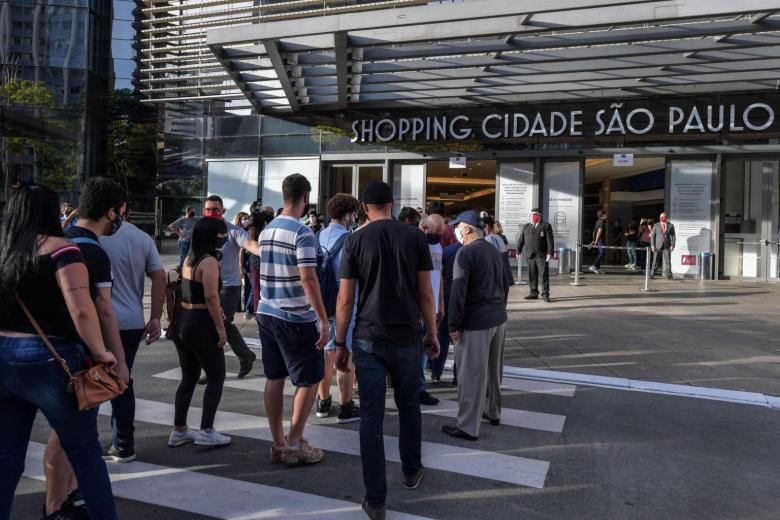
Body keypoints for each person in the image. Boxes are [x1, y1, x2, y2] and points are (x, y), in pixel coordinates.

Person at [0, 184, 118, 520]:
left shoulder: (5, 252)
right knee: (85, 455)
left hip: (3, 356)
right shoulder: (63, 251)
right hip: (51, 360)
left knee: (6, 459)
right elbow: (82, 310)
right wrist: (101, 352)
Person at [333, 180, 439, 520]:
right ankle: (411, 470)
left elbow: (345, 299)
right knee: (409, 406)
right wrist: (432, 333)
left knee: (372, 417)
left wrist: (339, 343)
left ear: (364, 207)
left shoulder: (354, 240)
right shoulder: (415, 237)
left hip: (368, 338)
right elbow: (426, 294)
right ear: (392, 203)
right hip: (408, 337)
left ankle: (375, 499)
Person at [48, 177, 130, 517]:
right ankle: (57, 504)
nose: (121, 219)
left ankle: (63, 495)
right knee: (74, 436)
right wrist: (118, 360)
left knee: (64, 433)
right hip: (79, 354)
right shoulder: (93, 251)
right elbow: (103, 311)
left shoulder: (58, 242)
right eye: (121, 213)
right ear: (110, 212)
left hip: (50, 350)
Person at [257, 173, 329, 466]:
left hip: (266, 311)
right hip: (295, 316)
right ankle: (295, 442)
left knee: (274, 377)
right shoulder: (302, 233)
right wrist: (323, 319)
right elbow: (308, 278)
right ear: (305, 197)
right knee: (310, 379)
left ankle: (277, 442)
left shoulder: (266, 229)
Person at [100, 205, 167, 463]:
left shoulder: (88, 237)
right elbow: (159, 278)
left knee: (88, 382)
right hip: (131, 322)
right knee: (122, 382)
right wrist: (155, 317)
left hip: (98, 323)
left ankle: (85, 445)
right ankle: (123, 443)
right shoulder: (141, 237)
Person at [443, 210, 510, 441]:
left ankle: (467, 427)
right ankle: (493, 412)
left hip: (476, 322)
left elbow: (458, 293)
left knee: (471, 376)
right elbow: (506, 284)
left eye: (458, 226)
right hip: (498, 318)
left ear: (468, 229)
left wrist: (453, 324)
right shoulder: (494, 249)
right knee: (493, 372)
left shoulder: (465, 253)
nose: (456, 231)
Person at [169, 217, 233, 447]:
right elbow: (211, 297)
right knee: (216, 376)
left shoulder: (189, 258)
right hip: (201, 322)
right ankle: (206, 430)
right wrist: (220, 328)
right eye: (221, 235)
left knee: (188, 378)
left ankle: (179, 430)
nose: (224, 239)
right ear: (212, 237)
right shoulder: (209, 262)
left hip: (183, 321)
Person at [202, 195, 260, 379]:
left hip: (228, 286)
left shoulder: (233, 231)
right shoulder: (201, 230)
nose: (211, 213)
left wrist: (264, 251)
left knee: (217, 324)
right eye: (208, 209)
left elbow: (249, 243)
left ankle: (212, 370)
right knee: (221, 325)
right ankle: (246, 356)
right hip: (205, 285)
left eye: (216, 210)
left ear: (223, 211)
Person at [315, 193, 361, 423]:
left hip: (320, 304)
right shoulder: (350, 241)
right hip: (343, 305)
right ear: (347, 215)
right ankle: (346, 406)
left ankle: (323, 402)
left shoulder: (316, 236)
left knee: (325, 353)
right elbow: (351, 279)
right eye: (353, 214)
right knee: (345, 354)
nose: (355, 217)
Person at [418, 213, 445, 405]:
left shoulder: (438, 246)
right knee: (419, 350)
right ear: (425, 227)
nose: (439, 236)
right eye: (436, 232)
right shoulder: (417, 245)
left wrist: (440, 302)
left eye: (441, 233)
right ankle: (418, 389)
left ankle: (419, 387)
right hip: (420, 307)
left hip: (433, 305)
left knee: (425, 351)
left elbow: (439, 276)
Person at [517, 208, 554, 302]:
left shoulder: (546, 226)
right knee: (532, 275)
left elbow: (550, 241)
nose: (532, 216)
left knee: (543, 275)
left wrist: (550, 253)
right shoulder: (526, 226)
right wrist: (518, 250)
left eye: (535, 214)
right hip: (530, 255)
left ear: (539, 216)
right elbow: (521, 240)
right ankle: (533, 293)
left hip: (541, 255)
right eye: (531, 214)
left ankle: (545, 294)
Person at [235, 211, 254, 318]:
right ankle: (246, 309)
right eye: (244, 218)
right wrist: (240, 266)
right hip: (242, 261)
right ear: (239, 219)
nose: (247, 220)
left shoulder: (249, 230)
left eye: (248, 218)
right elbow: (241, 251)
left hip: (246, 260)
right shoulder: (238, 231)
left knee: (248, 286)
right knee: (246, 286)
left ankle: (247, 306)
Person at [169, 206, 197, 270]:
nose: (193, 212)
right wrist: (179, 233)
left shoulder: (195, 221)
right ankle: (181, 270)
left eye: (194, 211)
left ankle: (189, 270)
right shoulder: (182, 220)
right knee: (183, 257)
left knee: (192, 257)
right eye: (192, 211)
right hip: (184, 241)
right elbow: (171, 226)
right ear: (187, 211)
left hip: (192, 241)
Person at [651, 212, 676, 280]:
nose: (661, 218)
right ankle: (652, 273)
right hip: (657, 245)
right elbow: (653, 236)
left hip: (667, 245)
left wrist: (672, 245)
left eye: (663, 217)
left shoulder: (671, 225)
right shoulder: (656, 225)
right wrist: (653, 245)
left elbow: (673, 236)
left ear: (666, 218)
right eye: (660, 217)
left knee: (667, 261)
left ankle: (669, 275)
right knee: (655, 260)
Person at [589, 209, 607, 274]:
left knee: (600, 253)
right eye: (605, 214)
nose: (606, 215)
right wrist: (596, 241)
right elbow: (599, 231)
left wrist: (593, 240)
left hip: (598, 240)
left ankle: (598, 268)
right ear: (603, 215)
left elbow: (594, 232)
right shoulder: (601, 222)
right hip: (600, 240)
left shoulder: (597, 221)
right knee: (602, 253)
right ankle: (593, 266)